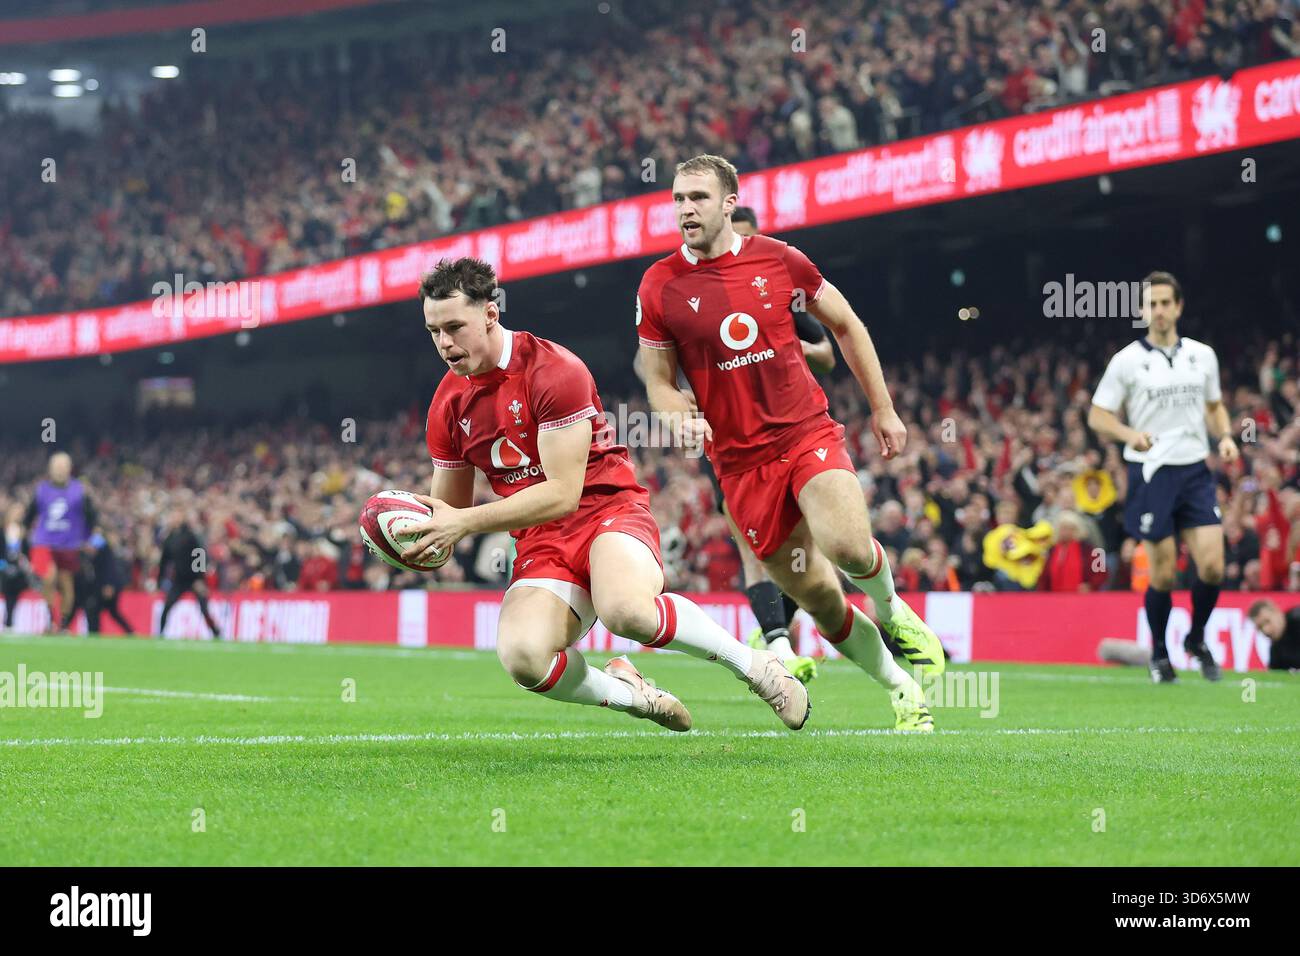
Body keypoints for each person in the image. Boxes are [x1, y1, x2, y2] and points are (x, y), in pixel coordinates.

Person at [401, 257, 810, 733]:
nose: (444, 343)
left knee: (626, 611)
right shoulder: (447, 406)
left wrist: (462, 523)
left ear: (491, 314)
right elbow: (450, 514)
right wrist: (419, 538)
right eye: (434, 331)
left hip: (607, 512)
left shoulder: (553, 370)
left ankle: (756, 666)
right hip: (541, 540)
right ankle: (631, 695)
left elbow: (563, 494)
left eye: (455, 327)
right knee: (524, 657)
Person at [635, 154, 943, 732]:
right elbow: (658, 381)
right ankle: (901, 686)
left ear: (729, 203)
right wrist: (679, 417)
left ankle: (891, 608)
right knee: (822, 599)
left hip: (804, 432)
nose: (685, 210)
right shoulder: (659, 285)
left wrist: (883, 409)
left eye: (698, 198)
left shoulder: (779, 259)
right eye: (678, 199)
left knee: (848, 548)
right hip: (738, 463)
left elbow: (847, 325)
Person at [1088, 271, 1236, 683]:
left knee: (1213, 567)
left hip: (1195, 470)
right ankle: (1158, 652)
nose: (1159, 311)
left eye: (1165, 303)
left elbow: (1214, 406)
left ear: (1179, 306)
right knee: (1164, 574)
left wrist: (1225, 436)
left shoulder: (1202, 355)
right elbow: (1098, 415)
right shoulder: (1127, 360)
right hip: (1151, 473)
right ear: (1142, 310)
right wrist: (1129, 435)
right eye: (1151, 304)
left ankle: (1196, 638)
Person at [727, 206, 836, 683]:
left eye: (746, 239)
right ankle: (778, 644)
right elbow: (652, 363)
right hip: (731, 444)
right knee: (752, 548)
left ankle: (775, 633)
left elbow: (828, 354)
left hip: (791, 433)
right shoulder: (695, 298)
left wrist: (792, 347)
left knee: (803, 547)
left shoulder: (777, 293)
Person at [24, 452, 96, 633]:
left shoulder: (79, 491)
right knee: (49, 577)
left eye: (63, 466)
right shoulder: (41, 490)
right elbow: (29, 514)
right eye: (56, 467)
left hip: (69, 544)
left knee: (66, 583)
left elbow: (91, 517)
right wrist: (25, 530)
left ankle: (62, 624)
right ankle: (50, 618)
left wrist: (87, 538)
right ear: (50, 469)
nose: (60, 470)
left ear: (70, 469)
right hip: (45, 542)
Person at [157, 508, 222, 639]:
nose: (173, 519)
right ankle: (161, 634)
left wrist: (200, 579)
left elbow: (200, 554)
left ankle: (216, 633)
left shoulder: (190, 535)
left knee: (204, 609)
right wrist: (160, 580)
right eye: (172, 516)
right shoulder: (169, 538)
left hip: (194, 579)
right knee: (167, 607)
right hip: (179, 580)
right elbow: (164, 561)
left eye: (176, 516)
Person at [1247, 599, 1300, 672]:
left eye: (1267, 621)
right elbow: (1274, 673)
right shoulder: (1276, 649)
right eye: (1260, 627)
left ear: (1277, 613)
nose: (1266, 630)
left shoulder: (1297, 619)